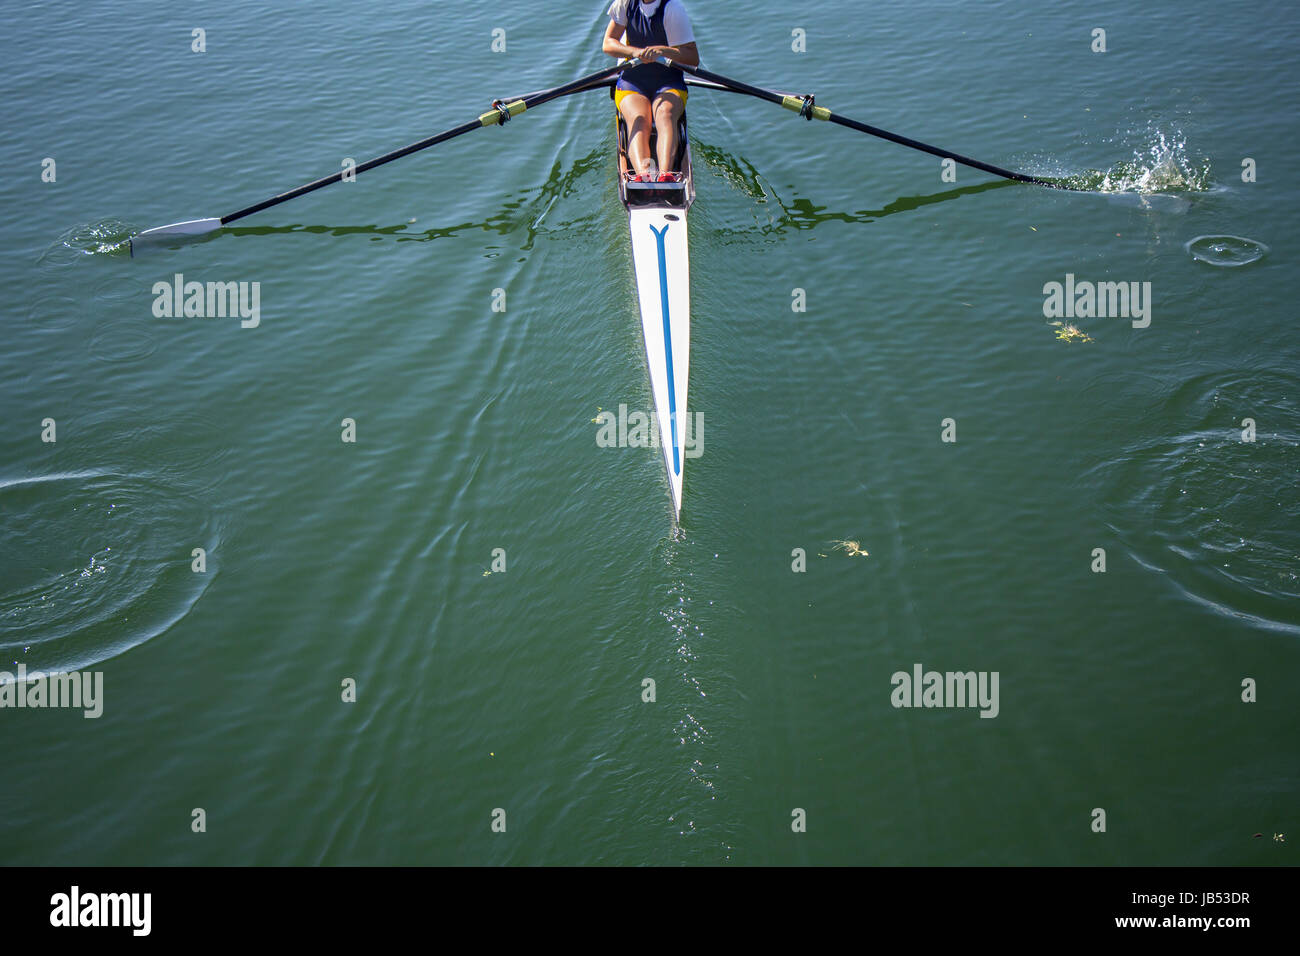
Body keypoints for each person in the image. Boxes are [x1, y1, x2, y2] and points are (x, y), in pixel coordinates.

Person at [602, 0, 700, 182]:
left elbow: (692, 58)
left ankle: (666, 176)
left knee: (665, 113)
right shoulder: (624, 4)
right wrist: (635, 52)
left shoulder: (673, 9)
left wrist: (664, 51)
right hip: (632, 80)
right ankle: (643, 177)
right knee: (639, 118)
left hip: (668, 80)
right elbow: (608, 44)